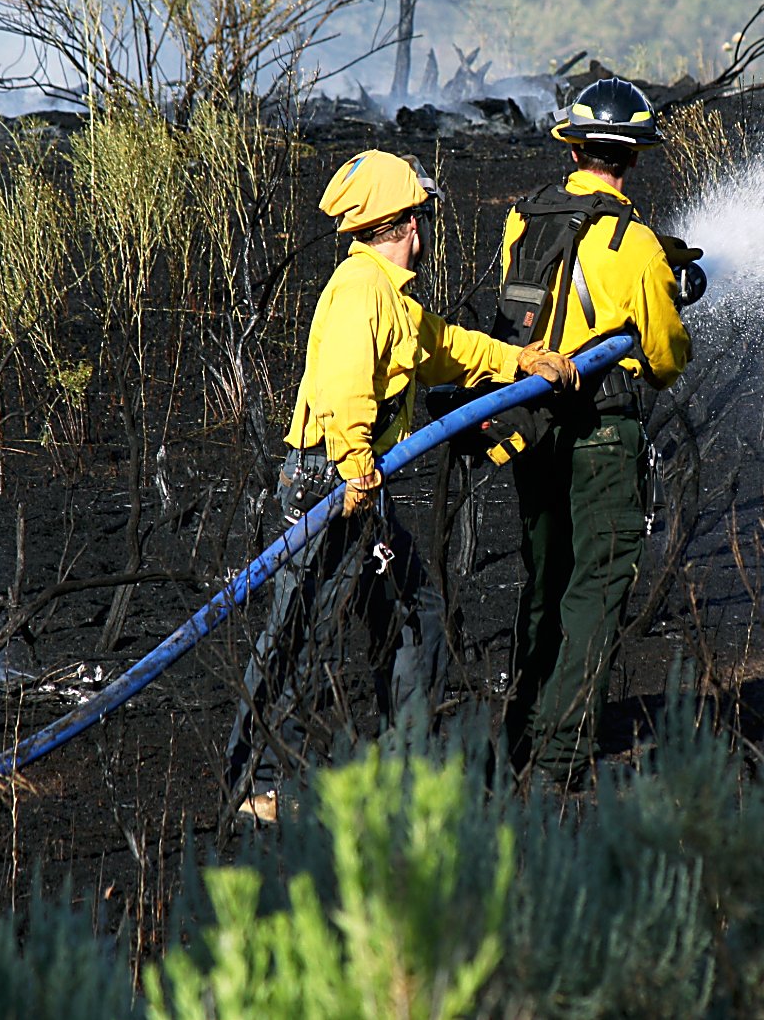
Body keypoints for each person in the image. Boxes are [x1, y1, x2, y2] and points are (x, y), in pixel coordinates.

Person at [227, 148, 577, 817]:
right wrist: (356, 461)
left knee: (415, 617)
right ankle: (258, 787)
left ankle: (408, 770)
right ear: (411, 224)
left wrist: (520, 361)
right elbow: (343, 385)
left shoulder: (388, 295)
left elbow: (446, 346)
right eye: (423, 217)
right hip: (331, 482)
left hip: (356, 483)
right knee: (302, 635)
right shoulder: (361, 289)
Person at [493, 78, 695, 786]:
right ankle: (561, 754)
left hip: (530, 424)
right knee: (597, 582)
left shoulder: (522, 219)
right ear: (633, 158)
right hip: (601, 432)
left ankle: (519, 733)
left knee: (545, 578)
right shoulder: (635, 243)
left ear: (574, 149)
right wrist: (666, 297)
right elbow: (664, 358)